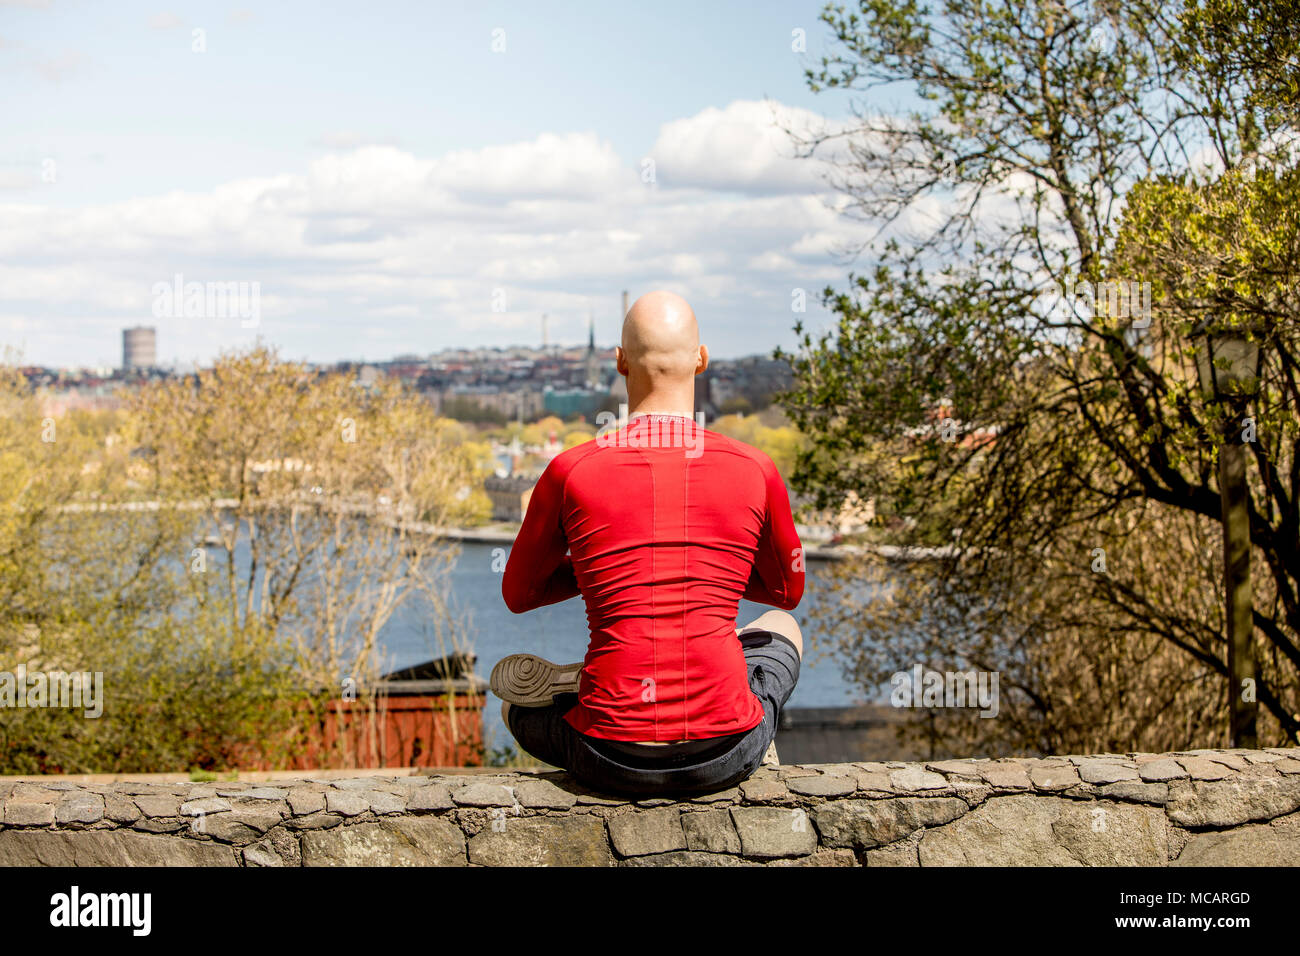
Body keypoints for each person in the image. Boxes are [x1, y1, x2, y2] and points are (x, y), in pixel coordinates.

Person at [493, 290, 804, 796]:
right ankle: (739, 713)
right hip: (726, 752)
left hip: (606, 756)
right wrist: (708, 565)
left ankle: (585, 689)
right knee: (781, 626)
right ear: (702, 360)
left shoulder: (570, 470)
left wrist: (607, 565)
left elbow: (519, 595)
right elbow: (786, 593)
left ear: (619, 362)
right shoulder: (756, 468)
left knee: (514, 704)